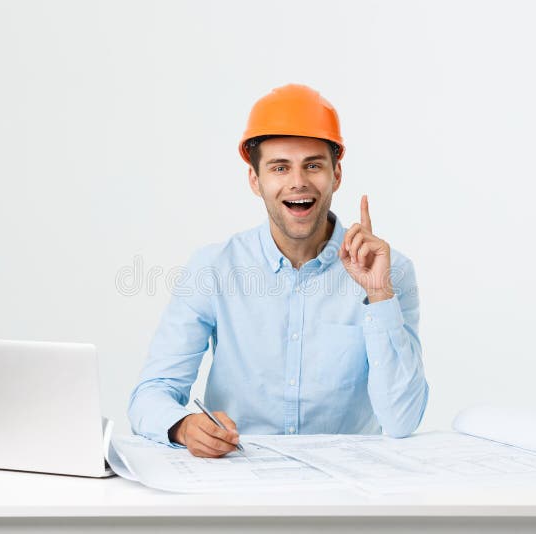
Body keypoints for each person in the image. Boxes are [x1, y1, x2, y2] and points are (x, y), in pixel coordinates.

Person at [128, 84, 429, 458]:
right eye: (279, 167)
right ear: (256, 181)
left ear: (337, 175)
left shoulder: (390, 271)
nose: (298, 182)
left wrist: (378, 294)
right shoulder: (213, 268)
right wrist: (183, 426)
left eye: (313, 165)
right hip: (239, 480)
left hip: (347, 494)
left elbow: (402, 420)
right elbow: (151, 393)